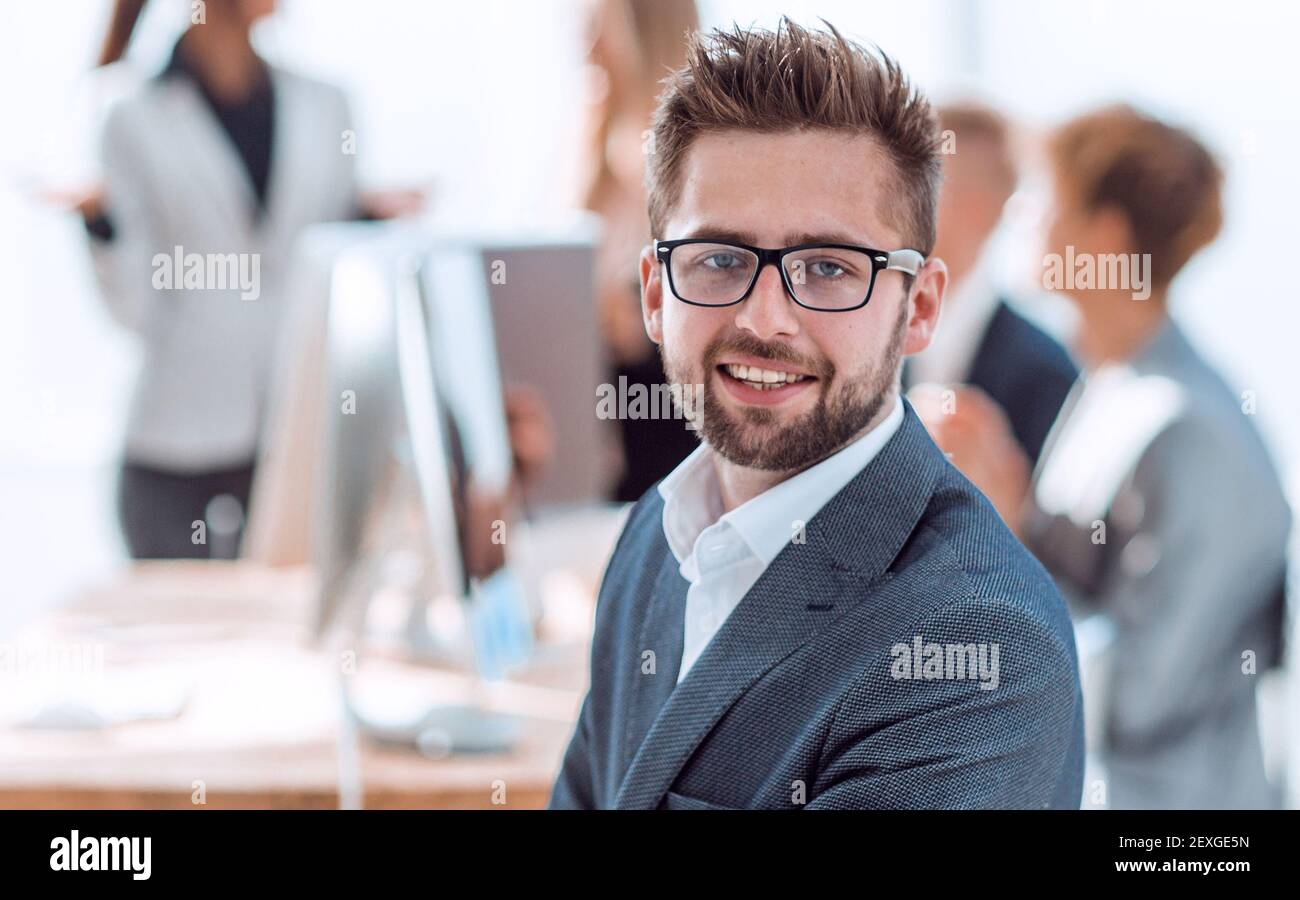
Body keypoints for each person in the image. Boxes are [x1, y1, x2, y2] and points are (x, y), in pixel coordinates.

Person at [549, 20, 1084, 810]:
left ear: (920, 307)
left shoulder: (978, 644)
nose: (767, 320)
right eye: (720, 259)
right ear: (658, 294)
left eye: (830, 268)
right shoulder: (651, 542)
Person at [922, 105, 1291, 809]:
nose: (1025, 217)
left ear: (1105, 232)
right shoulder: (1100, 389)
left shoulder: (1193, 429)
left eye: (1049, 200)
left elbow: (1143, 693)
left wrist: (1007, 535)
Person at [79, 0, 418, 559]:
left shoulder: (328, 106)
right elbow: (131, 312)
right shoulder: (128, 115)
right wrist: (102, 226)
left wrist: (367, 226)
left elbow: (327, 285)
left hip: (295, 442)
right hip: (175, 456)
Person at [906, 102, 1077, 465]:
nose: (898, 204)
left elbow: (1037, 518)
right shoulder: (860, 329)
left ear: (979, 209)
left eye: (919, 187)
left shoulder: (1047, 373)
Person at [578, 0, 702, 501]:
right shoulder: (593, 168)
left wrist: (634, 320)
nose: (586, 48)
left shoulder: (694, 173)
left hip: (661, 452)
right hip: (593, 456)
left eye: (598, 30)